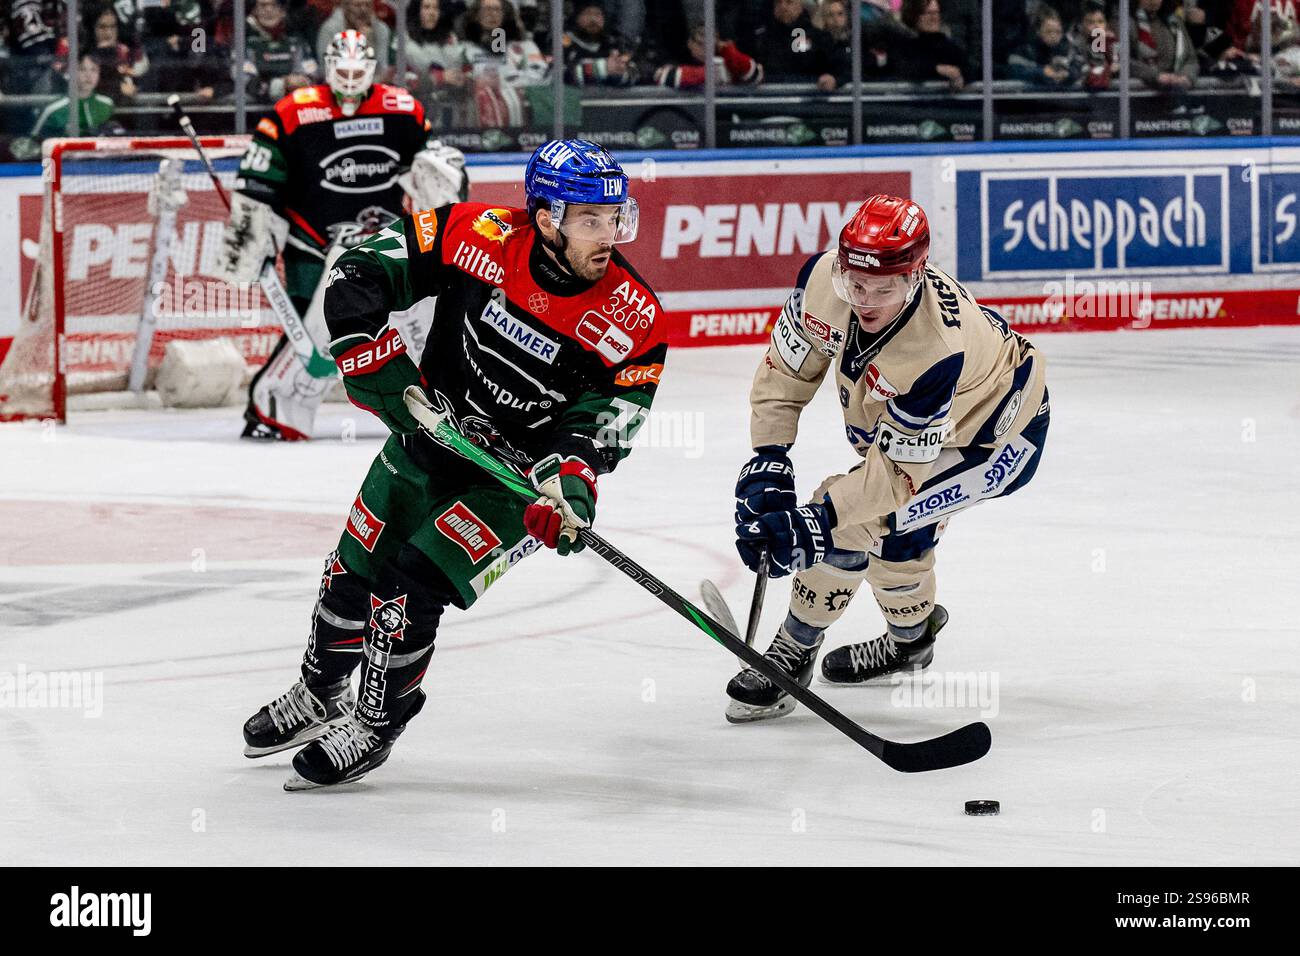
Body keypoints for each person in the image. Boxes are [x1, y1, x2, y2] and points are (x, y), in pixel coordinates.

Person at [241, 139, 668, 790]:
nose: (608, 236)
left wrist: (571, 483)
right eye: (590, 220)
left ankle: (375, 723)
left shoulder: (633, 319)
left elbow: (608, 419)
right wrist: (367, 353)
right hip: (427, 432)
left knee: (409, 588)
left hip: (510, 481)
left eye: (615, 219)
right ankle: (318, 690)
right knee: (351, 573)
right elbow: (361, 270)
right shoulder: (474, 233)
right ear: (546, 218)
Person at [725, 195, 1049, 722]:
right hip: (938, 427)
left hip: (996, 439)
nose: (866, 301)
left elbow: (895, 477)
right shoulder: (822, 281)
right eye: (857, 284)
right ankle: (912, 642)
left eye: (885, 288)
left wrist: (817, 521)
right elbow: (787, 373)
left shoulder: (936, 349)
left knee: (867, 520)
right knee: (886, 531)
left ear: (916, 276)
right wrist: (769, 455)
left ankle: (794, 650)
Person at [216, 29, 467, 441]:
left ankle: (439, 407)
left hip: (383, 246)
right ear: (327, 67)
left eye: (357, 70)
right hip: (312, 243)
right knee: (313, 335)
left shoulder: (402, 108)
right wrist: (252, 230)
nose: (349, 79)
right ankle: (274, 411)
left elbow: (436, 162)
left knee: (417, 325)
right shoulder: (294, 110)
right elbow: (259, 177)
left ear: (372, 68)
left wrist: (439, 180)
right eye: (342, 69)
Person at [741, 0, 846, 91]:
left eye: (789, 2)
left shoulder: (818, 38)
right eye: (778, 2)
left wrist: (834, 80)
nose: (783, 7)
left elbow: (843, 68)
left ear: (799, 5)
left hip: (809, 103)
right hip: (767, 102)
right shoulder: (760, 39)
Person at [244, 0, 318, 102]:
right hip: (255, 111)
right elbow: (245, 82)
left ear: (283, 11)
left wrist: (303, 81)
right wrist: (283, 83)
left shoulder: (296, 41)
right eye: (263, 5)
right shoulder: (244, 42)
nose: (268, 10)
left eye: (274, 5)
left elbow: (312, 74)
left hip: (295, 107)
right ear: (254, 10)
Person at [653, 21, 763, 89]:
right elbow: (663, 77)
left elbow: (754, 74)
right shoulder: (679, 59)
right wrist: (709, 74)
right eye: (700, 43)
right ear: (690, 43)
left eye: (709, 43)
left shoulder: (728, 63)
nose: (704, 49)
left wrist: (728, 51)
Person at [894, 0, 972, 89]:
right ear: (914, 15)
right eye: (928, 13)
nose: (933, 18)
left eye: (936, 13)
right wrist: (937, 69)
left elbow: (969, 69)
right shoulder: (904, 44)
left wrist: (961, 76)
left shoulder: (948, 46)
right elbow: (906, 68)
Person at [563, 0, 638, 87]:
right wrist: (603, 68)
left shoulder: (614, 44)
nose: (593, 19)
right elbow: (558, 75)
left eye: (598, 14)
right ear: (577, 17)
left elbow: (636, 72)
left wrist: (621, 70)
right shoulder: (562, 43)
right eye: (587, 13)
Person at [1131, 0, 1199, 92]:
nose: (1153, 1)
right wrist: (1156, 76)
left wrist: (1186, 76)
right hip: (1138, 93)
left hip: (1176, 91)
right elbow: (1120, 60)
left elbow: (1190, 59)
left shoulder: (1174, 22)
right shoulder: (1125, 23)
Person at [1007, 6, 1080, 88]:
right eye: (1049, 32)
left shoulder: (1067, 50)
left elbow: (1078, 69)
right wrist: (1042, 72)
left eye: (1058, 32)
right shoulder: (1025, 51)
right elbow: (1013, 71)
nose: (1053, 36)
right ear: (1038, 31)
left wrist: (1068, 74)